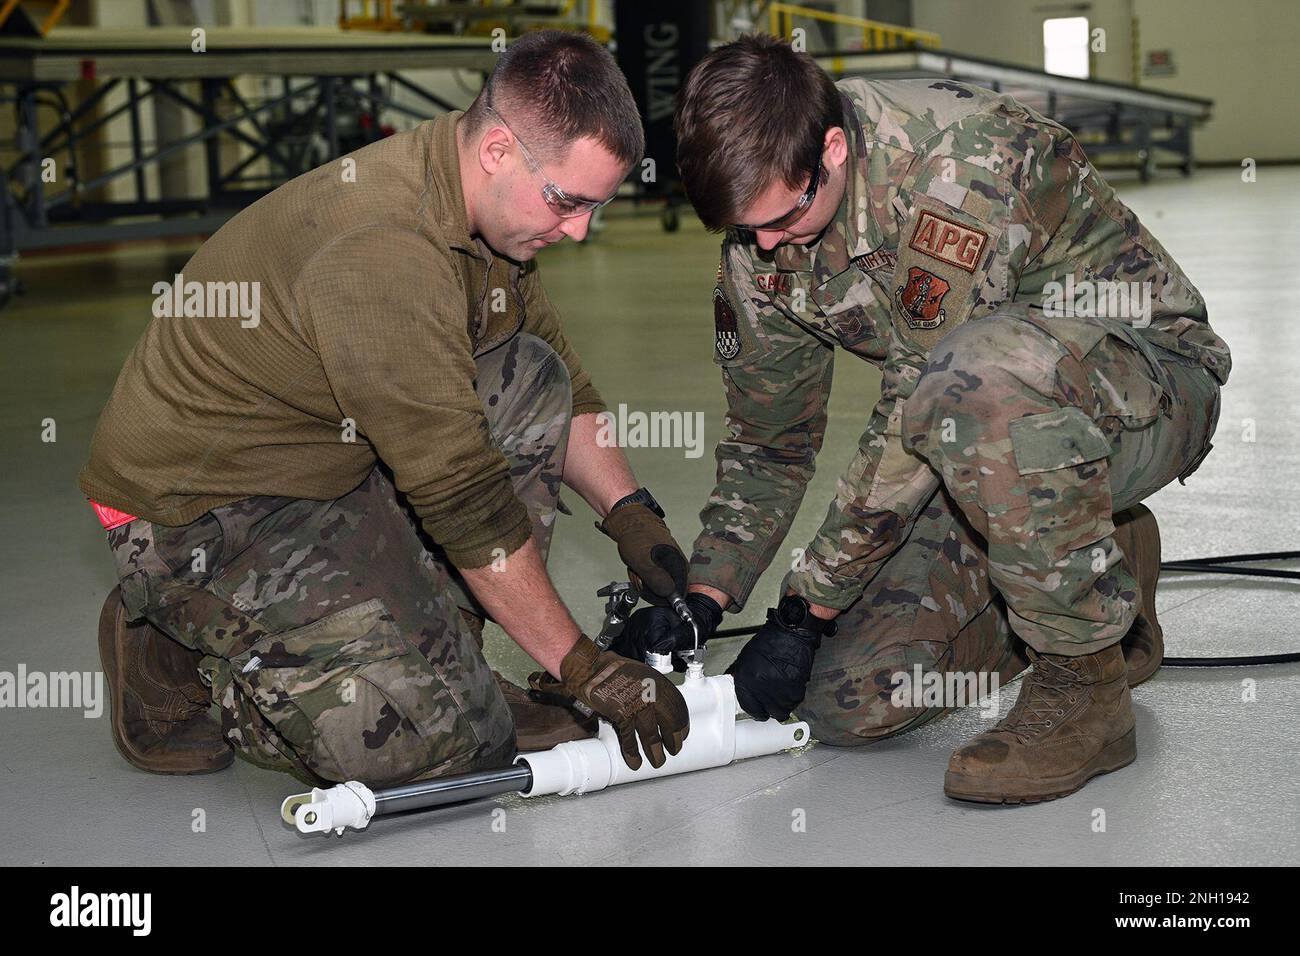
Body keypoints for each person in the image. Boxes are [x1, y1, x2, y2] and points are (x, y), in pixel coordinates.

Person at [616, 34, 1228, 804]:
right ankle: (1099, 559)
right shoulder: (764, 237)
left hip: (1149, 383)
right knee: (850, 699)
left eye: (781, 220)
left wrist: (806, 608)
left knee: (972, 377)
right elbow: (769, 442)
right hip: (986, 441)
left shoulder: (955, 166)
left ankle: (1086, 687)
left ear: (831, 149)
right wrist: (704, 597)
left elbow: (921, 400)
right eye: (746, 231)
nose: (767, 248)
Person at [82, 30, 689, 787]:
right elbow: (461, 495)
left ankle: (444, 664)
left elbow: (558, 371)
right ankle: (176, 650)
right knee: (425, 745)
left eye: (594, 206)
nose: (578, 230)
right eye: (568, 202)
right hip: (205, 518)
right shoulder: (381, 249)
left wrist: (630, 512)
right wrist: (585, 668)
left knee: (526, 373)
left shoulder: (480, 207)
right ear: (499, 150)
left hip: (327, 468)